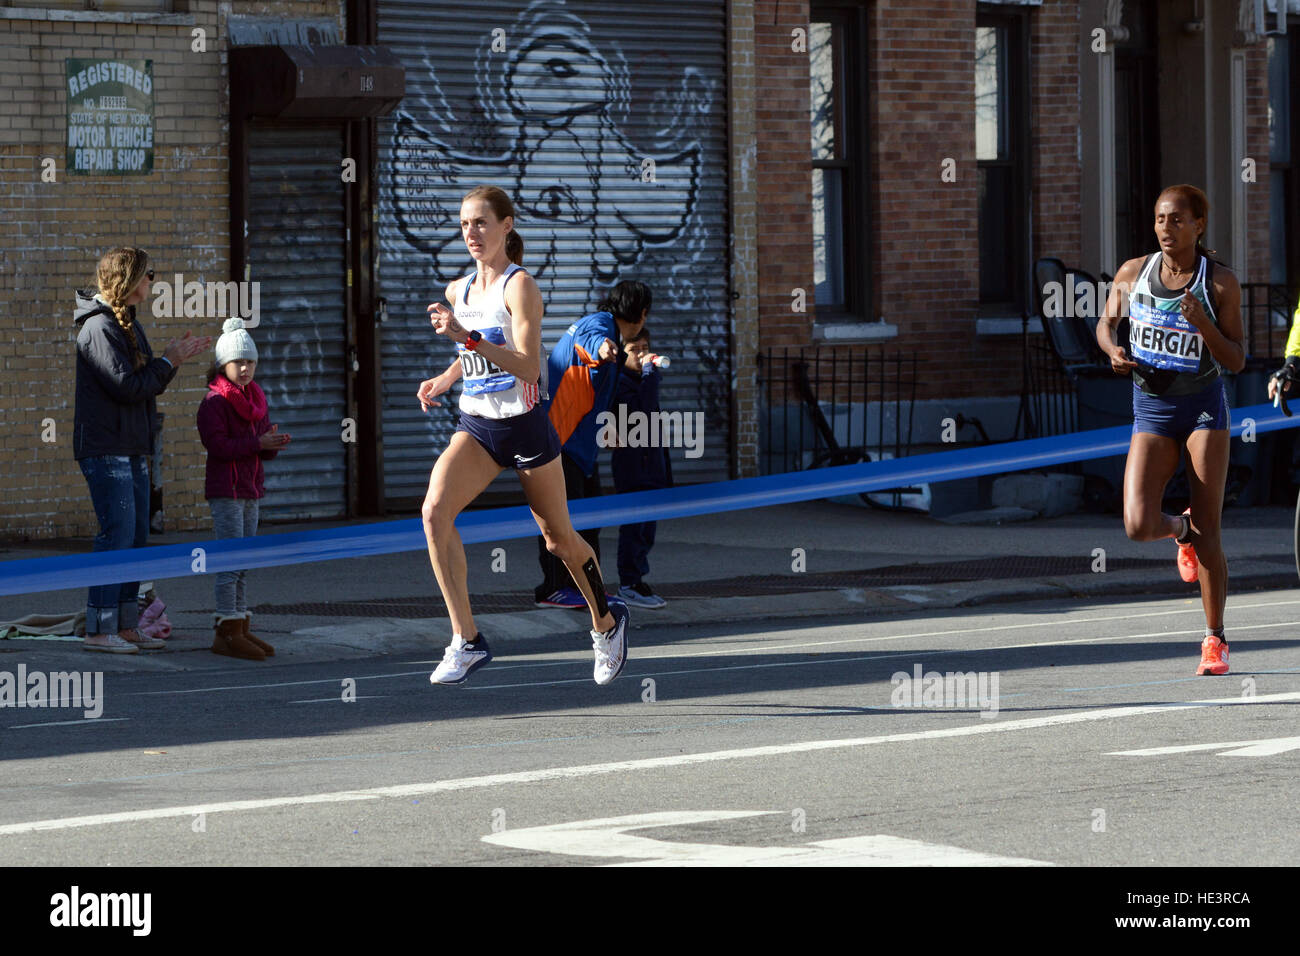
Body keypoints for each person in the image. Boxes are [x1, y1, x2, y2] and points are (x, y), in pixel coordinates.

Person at [416, 185, 630, 685]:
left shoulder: (520, 287)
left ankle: (607, 621)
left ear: (506, 226)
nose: (472, 232)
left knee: (558, 540)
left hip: (525, 427)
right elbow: (480, 350)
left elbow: (529, 367)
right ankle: (466, 639)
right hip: (478, 426)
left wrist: (462, 337)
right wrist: (447, 377)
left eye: (482, 223)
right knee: (433, 513)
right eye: (465, 223)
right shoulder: (458, 291)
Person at [1096, 184, 1244, 676]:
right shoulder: (1133, 272)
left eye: (1177, 219)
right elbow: (1105, 323)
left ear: (1198, 226)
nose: (1166, 228)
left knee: (1210, 529)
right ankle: (1177, 530)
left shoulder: (1218, 282)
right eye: (1160, 219)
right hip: (1153, 408)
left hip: (1202, 408)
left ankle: (1214, 639)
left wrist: (1203, 323)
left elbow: (1238, 360)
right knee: (1138, 525)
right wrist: (1113, 350)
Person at [73, 247, 209, 653]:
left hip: (131, 445)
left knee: (134, 535)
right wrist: (169, 360)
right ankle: (100, 628)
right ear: (129, 279)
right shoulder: (98, 328)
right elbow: (128, 387)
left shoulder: (126, 324)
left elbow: (142, 384)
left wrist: (169, 361)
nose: (153, 281)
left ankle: (127, 624)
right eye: (149, 274)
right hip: (106, 447)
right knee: (115, 535)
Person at [533, 280, 651, 608]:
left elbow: (600, 394)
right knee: (560, 520)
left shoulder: (607, 330)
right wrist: (602, 349)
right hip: (558, 442)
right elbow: (590, 342)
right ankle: (553, 588)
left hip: (579, 448)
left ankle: (589, 588)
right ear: (641, 314)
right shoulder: (599, 327)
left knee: (589, 520)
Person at [197, 318, 291, 661]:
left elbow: (258, 448)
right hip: (227, 491)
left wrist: (271, 444)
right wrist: (257, 442)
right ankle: (226, 630)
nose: (246, 368)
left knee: (245, 561)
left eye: (250, 362)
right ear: (224, 364)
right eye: (239, 362)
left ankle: (241, 626)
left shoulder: (255, 399)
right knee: (229, 562)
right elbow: (219, 447)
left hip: (251, 489)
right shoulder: (214, 402)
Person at [610, 328, 672, 608]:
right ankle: (628, 582)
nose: (642, 354)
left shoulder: (643, 380)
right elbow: (642, 412)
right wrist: (650, 374)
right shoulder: (621, 384)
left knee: (648, 528)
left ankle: (638, 579)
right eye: (635, 349)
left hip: (652, 465)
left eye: (645, 347)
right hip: (633, 468)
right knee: (634, 526)